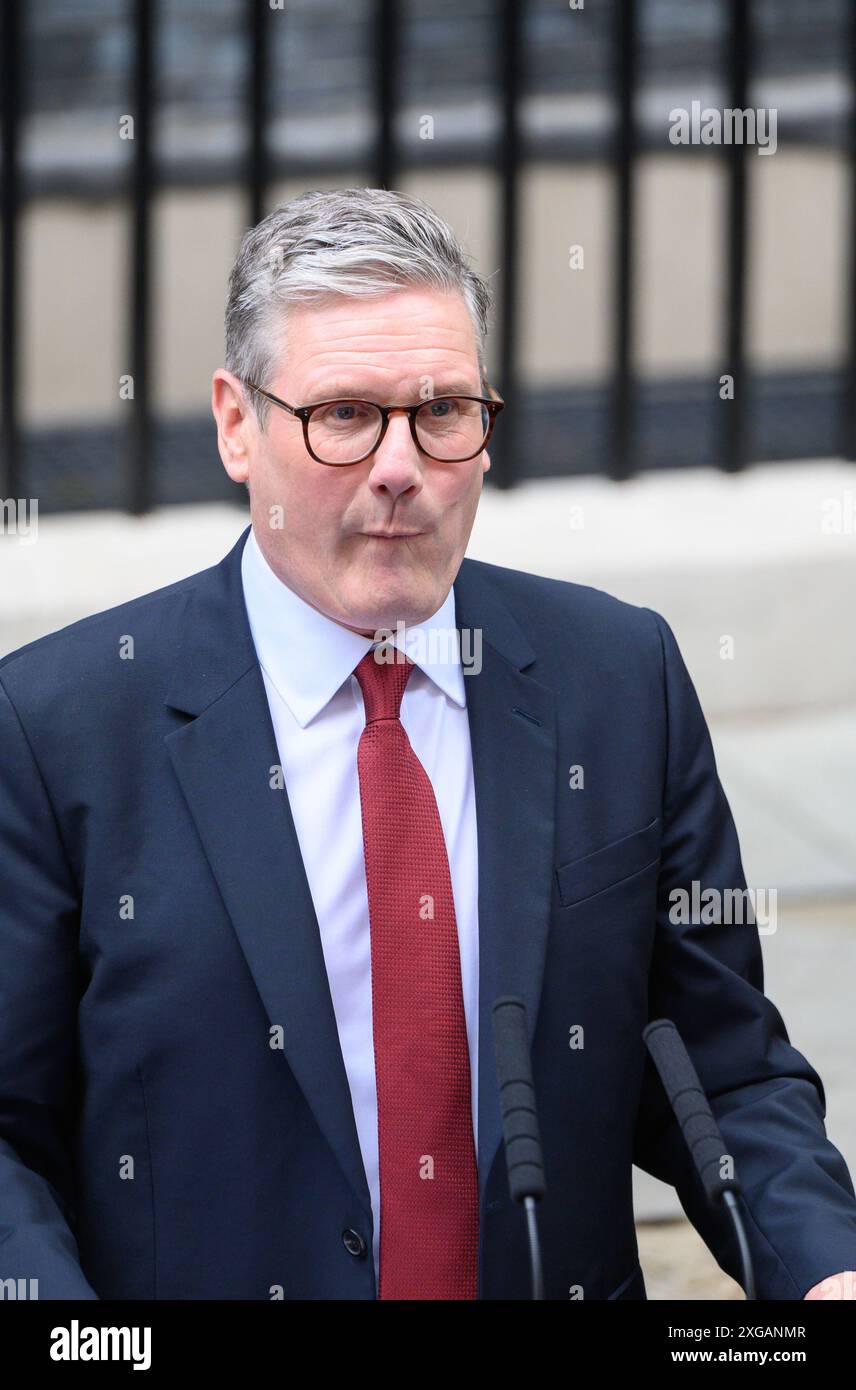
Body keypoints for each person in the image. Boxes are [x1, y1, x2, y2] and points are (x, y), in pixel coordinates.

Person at [1, 187, 854, 1300]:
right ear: (234, 424)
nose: (400, 466)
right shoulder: (60, 726)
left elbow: (723, 1071)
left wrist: (826, 1275)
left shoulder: (616, 678)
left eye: (442, 411)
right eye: (345, 414)